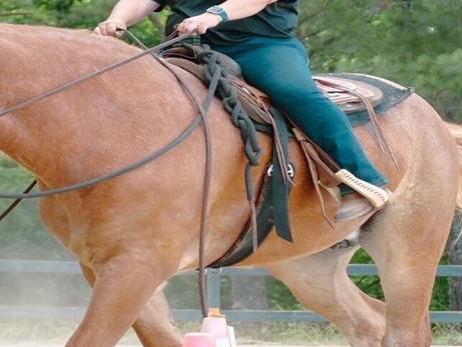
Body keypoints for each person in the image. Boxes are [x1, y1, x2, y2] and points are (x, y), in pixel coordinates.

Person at [95, 0, 392, 221]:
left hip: (260, 46)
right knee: (131, 93)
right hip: (185, 46)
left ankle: (362, 179)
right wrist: (116, 18)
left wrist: (214, 15)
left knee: (295, 91)